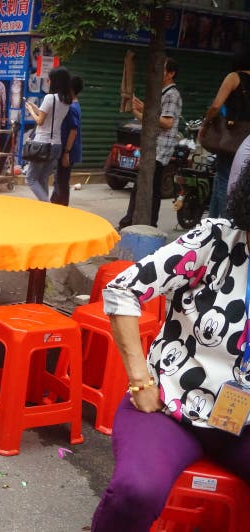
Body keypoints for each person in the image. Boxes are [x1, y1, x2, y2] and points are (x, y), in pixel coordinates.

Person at [90, 166, 250, 530]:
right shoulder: (216, 241)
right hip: (170, 407)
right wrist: (140, 381)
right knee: (137, 490)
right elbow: (122, 289)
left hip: (244, 424)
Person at [118, 58, 182, 230]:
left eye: (161, 70)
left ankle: (141, 224)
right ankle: (135, 222)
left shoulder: (171, 95)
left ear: (171, 74)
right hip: (153, 148)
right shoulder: (162, 93)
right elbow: (150, 120)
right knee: (143, 188)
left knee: (147, 189)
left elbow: (167, 123)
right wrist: (136, 109)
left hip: (159, 150)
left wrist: (145, 108)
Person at [201, 46, 250, 218]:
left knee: (224, 179)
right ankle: (212, 223)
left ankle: (224, 225)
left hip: (231, 141)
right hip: (247, 143)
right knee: (226, 181)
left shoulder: (234, 77)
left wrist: (205, 124)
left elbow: (216, 105)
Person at [23, 66, 73, 202]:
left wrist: (30, 110)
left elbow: (40, 121)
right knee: (43, 177)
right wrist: (36, 108)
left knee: (31, 178)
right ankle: (44, 209)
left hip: (42, 143)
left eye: (49, 79)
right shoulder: (66, 101)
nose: (48, 82)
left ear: (55, 81)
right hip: (56, 145)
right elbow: (50, 117)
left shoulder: (50, 98)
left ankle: (47, 205)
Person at [52, 75, 84, 206]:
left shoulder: (71, 108)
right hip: (66, 149)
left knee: (62, 181)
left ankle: (62, 209)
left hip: (68, 150)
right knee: (59, 179)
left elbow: (73, 131)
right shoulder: (73, 105)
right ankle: (54, 204)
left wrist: (66, 153)